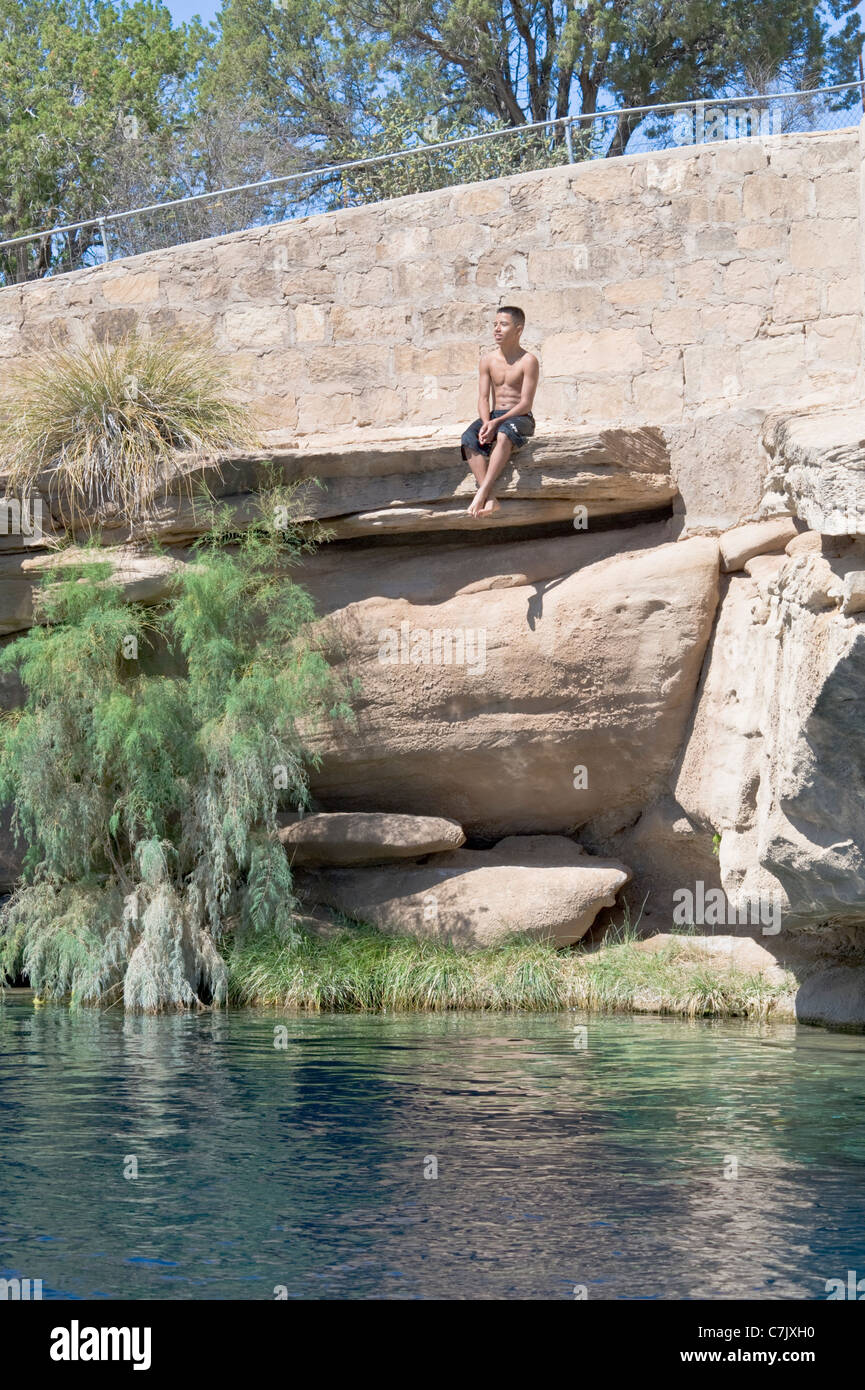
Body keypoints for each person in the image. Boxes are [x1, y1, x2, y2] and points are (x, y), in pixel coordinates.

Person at [460, 305, 539, 518]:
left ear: (518, 330)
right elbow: (483, 398)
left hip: (520, 417)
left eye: (503, 324)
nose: (497, 329)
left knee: (504, 433)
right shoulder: (487, 360)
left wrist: (496, 423)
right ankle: (492, 498)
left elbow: (526, 403)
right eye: (495, 324)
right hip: (494, 415)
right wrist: (487, 421)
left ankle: (482, 492)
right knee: (468, 437)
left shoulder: (528, 360)